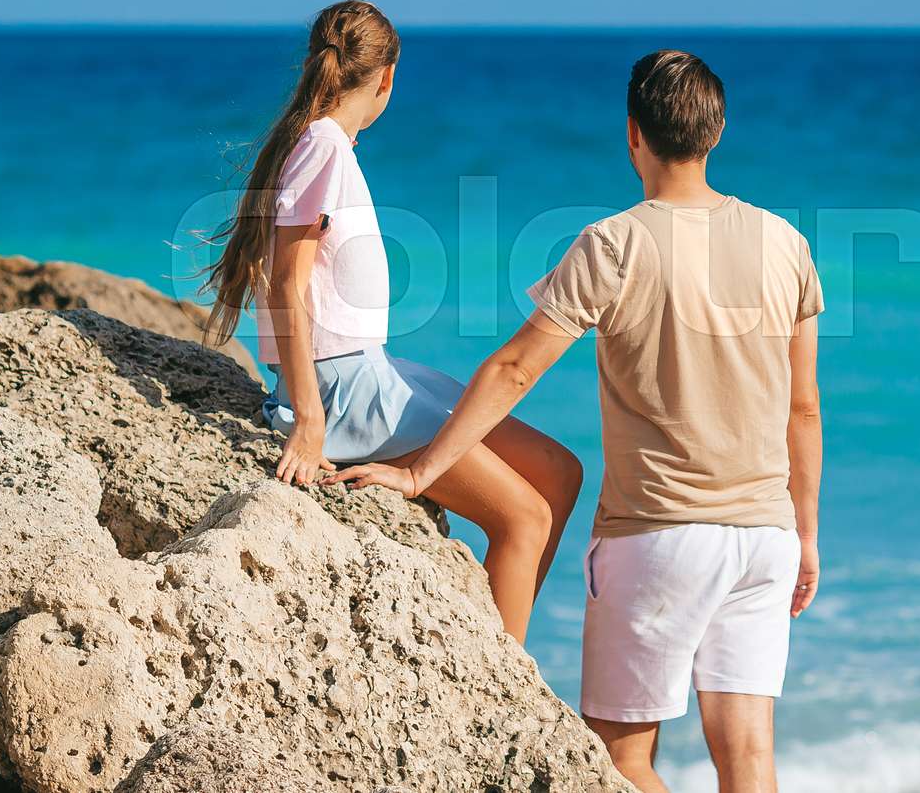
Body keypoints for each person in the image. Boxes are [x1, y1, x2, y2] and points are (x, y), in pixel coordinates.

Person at [331, 49, 825, 793]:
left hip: (658, 536)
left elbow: (515, 368)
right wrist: (805, 533)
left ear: (634, 134)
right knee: (749, 759)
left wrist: (420, 468)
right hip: (765, 538)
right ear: (715, 132)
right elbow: (804, 405)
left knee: (622, 764)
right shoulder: (786, 245)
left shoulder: (615, 243)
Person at [202, 0, 582, 643]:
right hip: (342, 394)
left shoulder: (326, 145)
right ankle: (500, 683)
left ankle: (503, 653)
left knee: (559, 472)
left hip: (372, 370)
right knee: (523, 518)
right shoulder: (321, 147)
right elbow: (287, 291)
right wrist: (310, 421)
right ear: (385, 80)